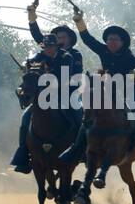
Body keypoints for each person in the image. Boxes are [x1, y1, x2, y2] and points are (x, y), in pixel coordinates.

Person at [57, 9, 135, 163]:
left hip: (128, 93)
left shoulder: (130, 57)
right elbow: (88, 39)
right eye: (109, 39)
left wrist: (129, 77)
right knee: (88, 115)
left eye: (115, 39)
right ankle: (76, 149)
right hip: (107, 91)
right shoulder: (103, 50)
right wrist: (79, 21)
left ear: (122, 43)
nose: (111, 42)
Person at [10, 34, 82, 173]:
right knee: (25, 118)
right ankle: (24, 153)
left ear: (56, 46)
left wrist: (46, 76)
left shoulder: (67, 57)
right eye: (45, 46)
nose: (47, 49)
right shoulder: (39, 56)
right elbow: (30, 66)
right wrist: (27, 68)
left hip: (65, 93)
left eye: (50, 46)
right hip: (44, 95)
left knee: (79, 116)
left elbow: (63, 79)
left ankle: (80, 149)